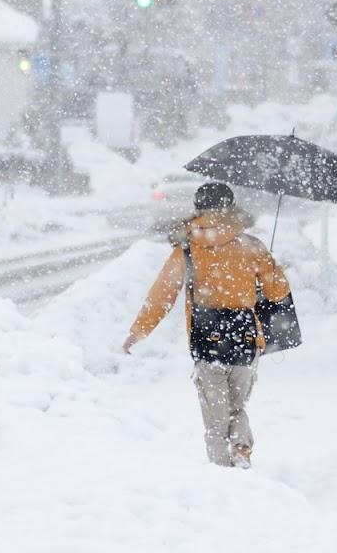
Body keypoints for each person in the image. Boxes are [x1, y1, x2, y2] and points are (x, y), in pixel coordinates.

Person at [122, 182, 291, 468]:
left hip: (207, 341)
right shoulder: (251, 246)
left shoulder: (187, 249)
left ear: (197, 209)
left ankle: (221, 475)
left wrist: (138, 331)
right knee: (237, 407)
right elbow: (277, 291)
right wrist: (268, 269)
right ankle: (241, 449)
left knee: (215, 418)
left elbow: (162, 295)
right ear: (232, 207)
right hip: (245, 338)